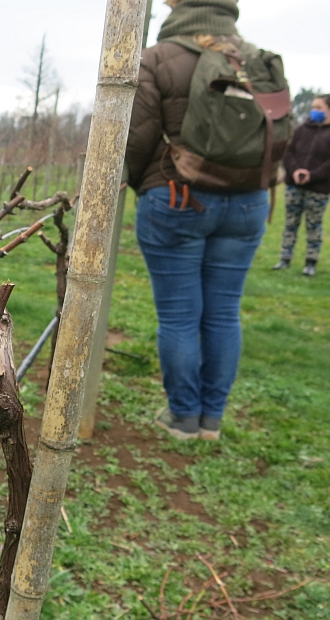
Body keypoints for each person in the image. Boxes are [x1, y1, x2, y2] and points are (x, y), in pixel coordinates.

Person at [125, 0, 286, 441]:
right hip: (249, 202)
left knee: (179, 317)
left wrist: (139, 185)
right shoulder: (257, 58)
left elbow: (135, 141)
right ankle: (211, 419)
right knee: (223, 313)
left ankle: (183, 418)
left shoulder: (157, 59)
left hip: (177, 199)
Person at [272, 94, 330, 276]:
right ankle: (284, 258)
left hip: (318, 189)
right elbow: (289, 153)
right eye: (314, 107)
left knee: (314, 226)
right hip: (294, 186)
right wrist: (295, 171)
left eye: (319, 108)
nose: (315, 111)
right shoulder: (301, 130)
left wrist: (311, 176)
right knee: (290, 223)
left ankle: (311, 262)